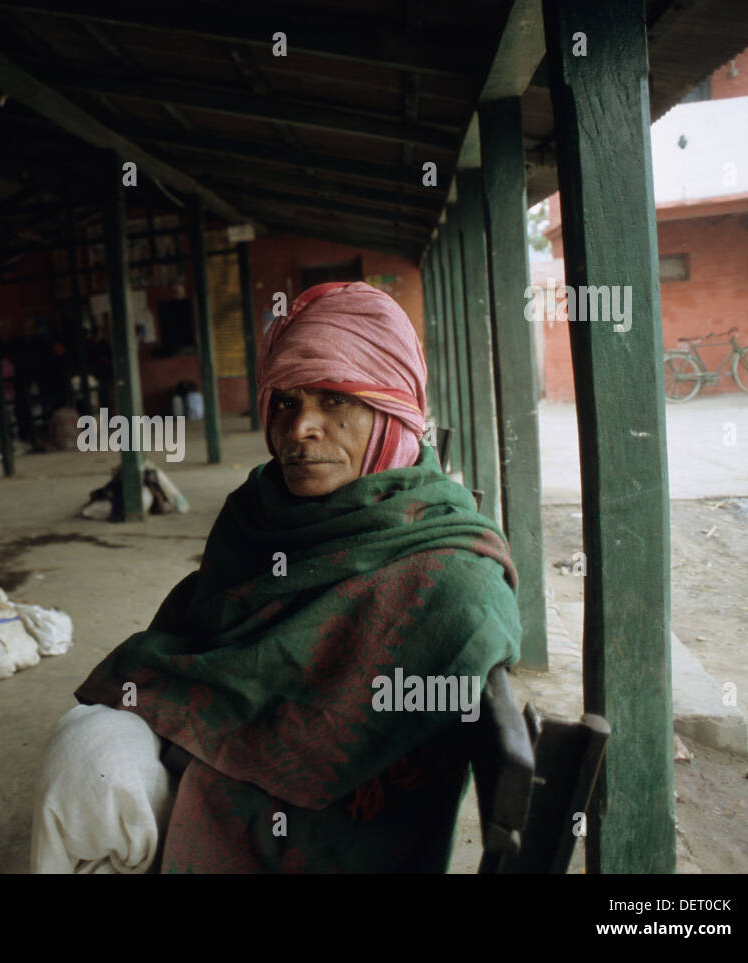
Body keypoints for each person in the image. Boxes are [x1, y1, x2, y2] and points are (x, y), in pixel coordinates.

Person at [31, 282, 521, 874]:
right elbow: (204, 642)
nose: (300, 429)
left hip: (317, 825)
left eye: (335, 400)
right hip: (197, 745)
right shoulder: (257, 512)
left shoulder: (449, 579)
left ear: (393, 413)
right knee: (85, 756)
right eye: (285, 402)